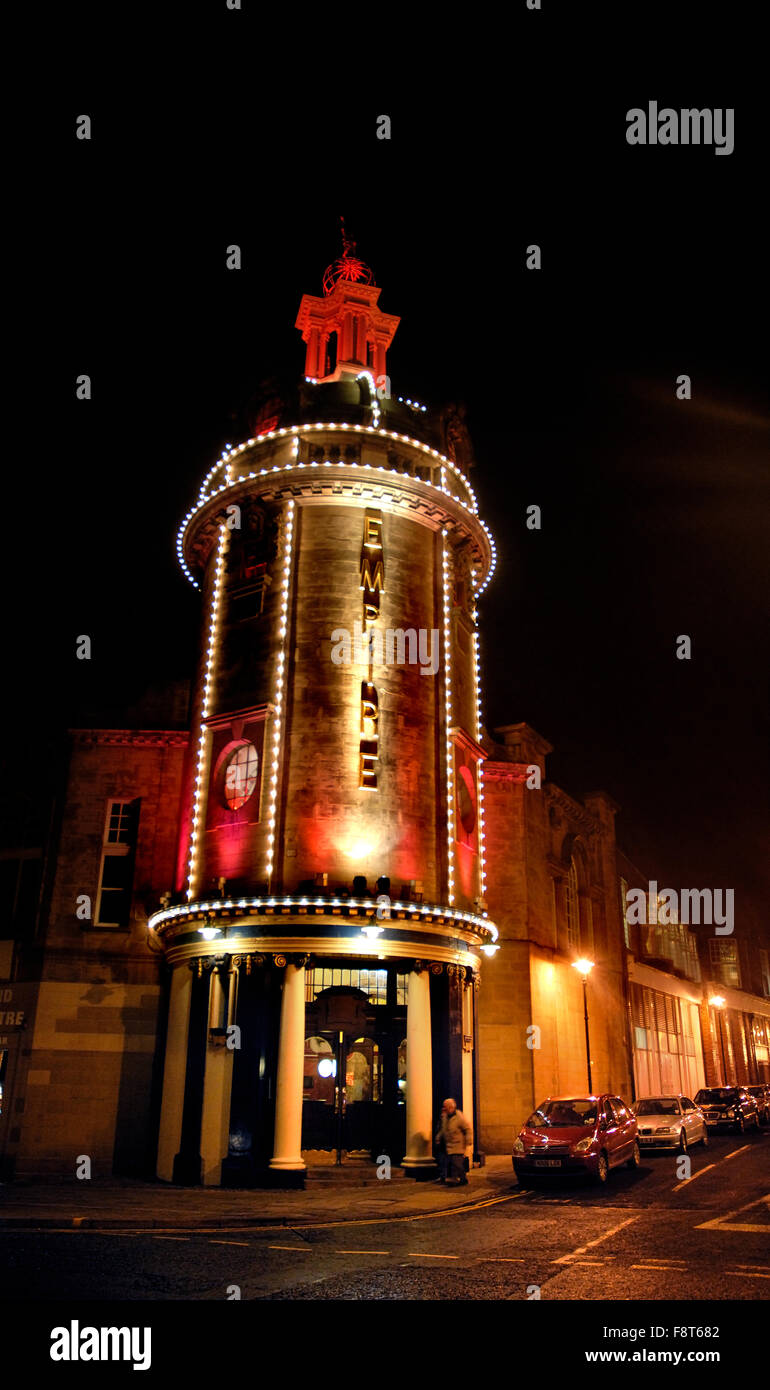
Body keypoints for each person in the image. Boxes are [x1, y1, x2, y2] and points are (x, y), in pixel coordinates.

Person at [435, 1097, 472, 1185]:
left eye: (445, 1107)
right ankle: (458, 1179)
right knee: (452, 1163)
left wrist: (469, 1140)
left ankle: (461, 1179)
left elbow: (467, 1129)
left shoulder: (459, 1117)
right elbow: (443, 1129)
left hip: (458, 1144)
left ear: (451, 1107)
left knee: (457, 1163)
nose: (443, 1109)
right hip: (449, 1145)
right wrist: (438, 1137)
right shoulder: (445, 1117)